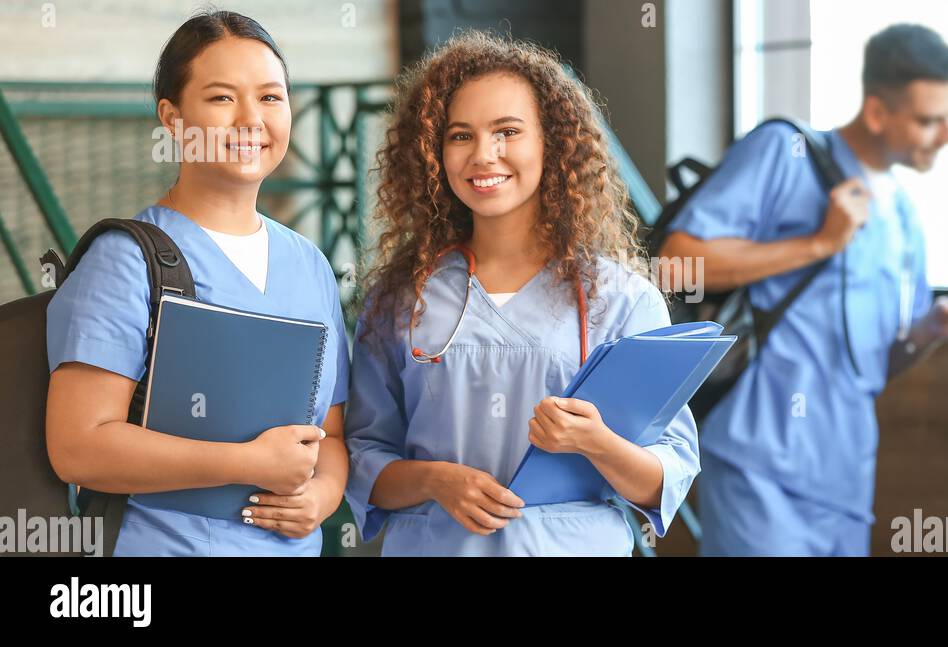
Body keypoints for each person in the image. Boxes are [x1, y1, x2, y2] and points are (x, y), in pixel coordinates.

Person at [343, 31, 700, 556]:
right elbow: (364, 460)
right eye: (460, 136)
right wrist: (435, 480)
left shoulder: (622, 298)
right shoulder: (401, 299)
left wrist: (596, 443)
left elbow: (664, 477)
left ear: (551, 143)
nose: (484, 155)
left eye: (507, 131)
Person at [659, 24, 948, 556]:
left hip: (845, 476)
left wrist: (932, 329)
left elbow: (879, 364)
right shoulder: (784, 151)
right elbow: (677, 263)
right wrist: (819, 244)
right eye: (930, 120)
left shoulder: (904, 218)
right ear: (878, 111)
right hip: (759, 463)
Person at [44, 11, 350, 556]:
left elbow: (329, 432)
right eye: (221, 98)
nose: (251, 119)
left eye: (271, 97)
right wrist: (248, 464)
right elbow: (78, 447)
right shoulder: (124, 261)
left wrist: (322, 496)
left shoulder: (310, 264)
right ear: (172, 115)